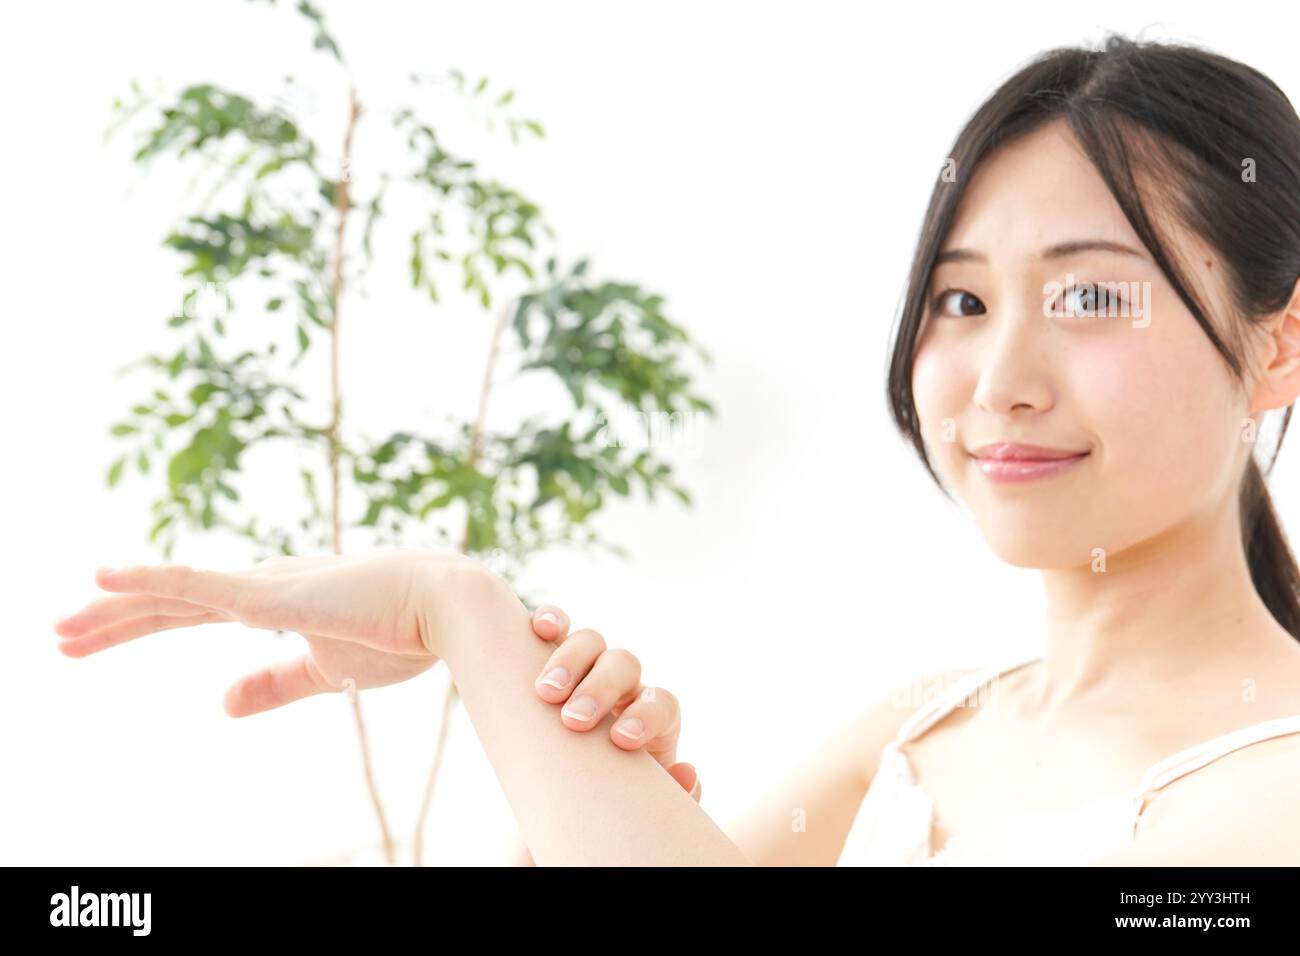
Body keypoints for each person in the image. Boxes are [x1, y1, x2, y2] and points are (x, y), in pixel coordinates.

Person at [54, 33, 1300, 865]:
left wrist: (482, 643)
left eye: (1091, 298)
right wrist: (461, 612)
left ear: (1276, 346)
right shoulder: (921, 730)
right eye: (961, 303)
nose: (1000, 382)